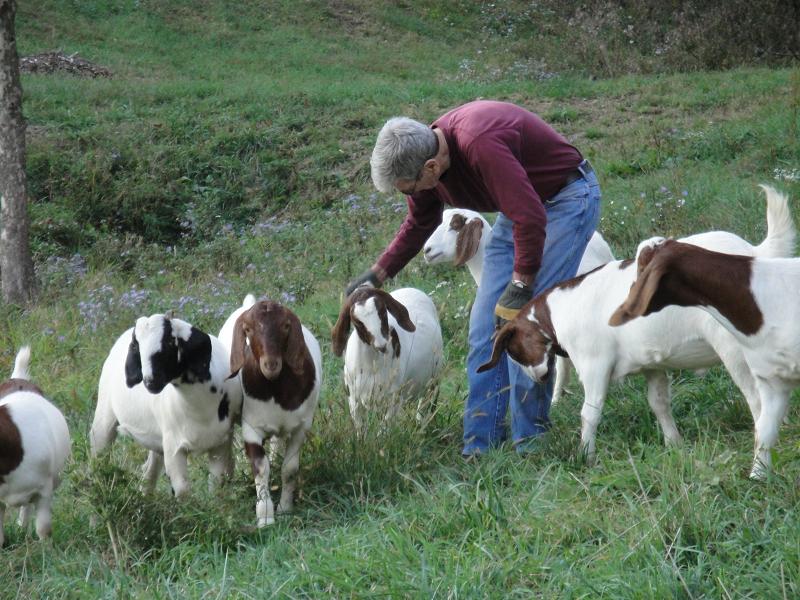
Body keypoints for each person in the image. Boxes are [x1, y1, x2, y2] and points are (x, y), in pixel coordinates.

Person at [346, 100, 601, 456]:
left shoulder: (480, 143)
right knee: (484, 327)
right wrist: (378, 273)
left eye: (408, 189)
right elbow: (420, 222)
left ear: (431, 168)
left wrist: (521, 284)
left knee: (524, 323)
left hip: (566, 199)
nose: (409, 195)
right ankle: (480, 446)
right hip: (519, 208)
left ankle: (531, 444)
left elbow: (531, 217)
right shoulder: (424, 161)